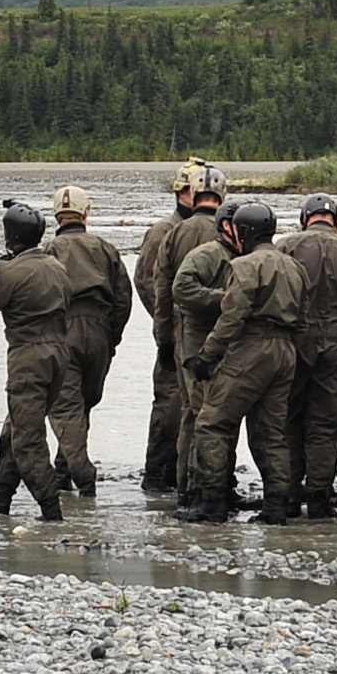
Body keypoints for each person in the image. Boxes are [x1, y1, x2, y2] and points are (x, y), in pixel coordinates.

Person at [187, 200, 308, 523]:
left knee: (211, 423)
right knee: (271, 432)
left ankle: (212, 503)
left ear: (242, 232)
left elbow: (232, 317)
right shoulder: (294, 267)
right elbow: (303, 318)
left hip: (251, 348)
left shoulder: (243, 266)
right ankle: (276, 507)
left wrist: (207, 356)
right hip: (286, 352)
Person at [0, 200, 73, 520]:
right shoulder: (57, 267)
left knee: (27, 439)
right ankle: (1, 496)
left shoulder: (8, 272)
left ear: (10, 236)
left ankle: (51, 509)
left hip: (28, 358)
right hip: (59, 357)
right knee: (14, 428)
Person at [46, 183, 134, 499]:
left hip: (62, 329)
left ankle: (83, 474)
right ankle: (62, 471)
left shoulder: (50, 251)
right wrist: (111, 339)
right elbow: (124, 297)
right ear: (86, 213)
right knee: (82, 404)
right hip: (98, 331)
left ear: (57, 216)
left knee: (65, 404)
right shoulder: (105, 248)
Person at [279, 192, 337, 519]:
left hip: (295, 342)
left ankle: (288, 491)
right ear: (336, 220)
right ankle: (320, 495)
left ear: (304, 217)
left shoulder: (285, 247)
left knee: (289, 419)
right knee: (327, 423)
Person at [135, 160, 206, 492]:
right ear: (181, 192)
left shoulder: (216, 228)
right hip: (175, 333)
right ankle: (156, 471)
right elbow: (146, 281)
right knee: (170, 405)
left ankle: (195, 471)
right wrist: (168, 325)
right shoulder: (163, 231)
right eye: (192, 190)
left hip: (206, 337)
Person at [169, 178, 237, 514]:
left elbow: (154, 281)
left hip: (215, 341)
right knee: (199, 417)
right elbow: (179, 287)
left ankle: (216, 483)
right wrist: (222, 301)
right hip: (197, 341)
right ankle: (191, 490)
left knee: (214, 416)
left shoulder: (234, 254)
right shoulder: (209, 251)